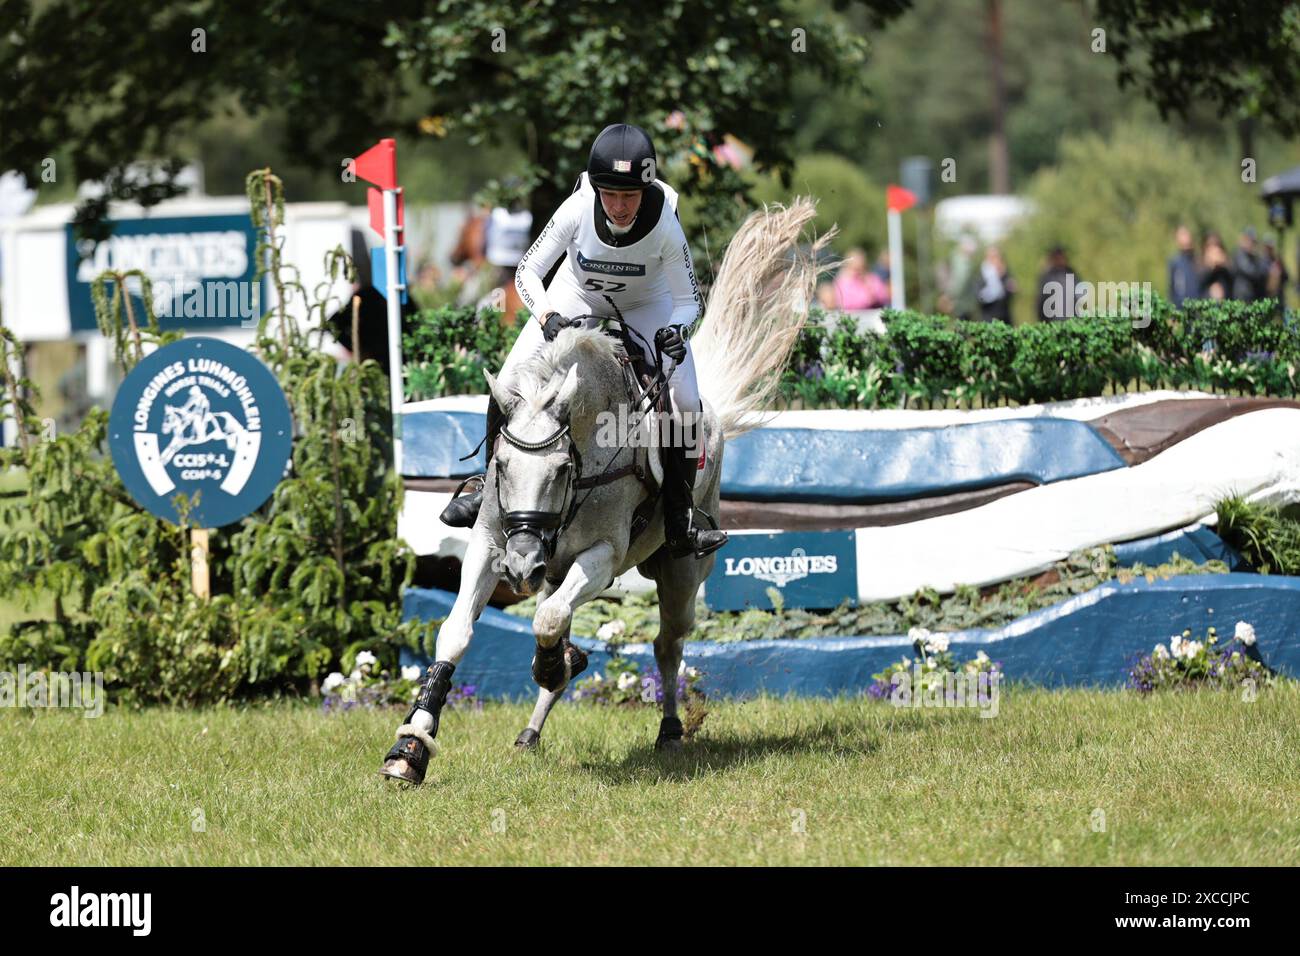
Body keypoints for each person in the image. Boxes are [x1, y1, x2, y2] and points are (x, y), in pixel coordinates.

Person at [439, 123, 727, 559]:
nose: (619, 206)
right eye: (610, 194)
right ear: (595, 189)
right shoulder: (577, 208)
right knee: (508, 379)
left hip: (646, 303)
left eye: (629, 196)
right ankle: (486, 490)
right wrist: (547, 315)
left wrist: (675, 330)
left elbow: (689, 300)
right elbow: (527, 272)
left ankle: (680, 516)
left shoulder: (664, 222)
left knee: (686, 402)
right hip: (577, 293)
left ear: (646, 189)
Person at [1035, 244, 1083, 321]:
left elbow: (1080, 297)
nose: (1060, 260)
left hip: (1073, 320)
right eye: (1057, 258)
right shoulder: (1047, 277)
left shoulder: (1072, 274)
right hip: (1054, 321)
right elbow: (1041, 301)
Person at [977, 245, 1015, 322]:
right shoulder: (982, 274)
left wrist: (1003, 277)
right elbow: (978, 297)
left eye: (997, 257)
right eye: (992, 257)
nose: (995, 260)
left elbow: (1009, 294)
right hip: (989, 316)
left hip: (1004, 316)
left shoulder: (1005, 273)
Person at [1167, 225, 1201, 306]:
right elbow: (1172, 288)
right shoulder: (1175, 262)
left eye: (1186, 235)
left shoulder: (1198, 260)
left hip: (1197, 306)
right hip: (1180, 307)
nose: (1185, 239)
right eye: (1181, 235)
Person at [1231, 226, 1267, 302]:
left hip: (1252, 297)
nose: (1252, 244)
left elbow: (1263, 272)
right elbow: (1251, 272)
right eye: (1250, 241)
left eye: (1253, 242)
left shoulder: (1253, 257)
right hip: (1241, 297)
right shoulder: (1239, 254)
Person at [1200, 232, 1233, 300]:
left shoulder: (1225, 262)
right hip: (1207, 303)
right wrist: (1211, 266)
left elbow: (1233, 277)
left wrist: (1223, 263)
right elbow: (1199, 282)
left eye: (1216, 245)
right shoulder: (1200, 264)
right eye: (1210, 246)